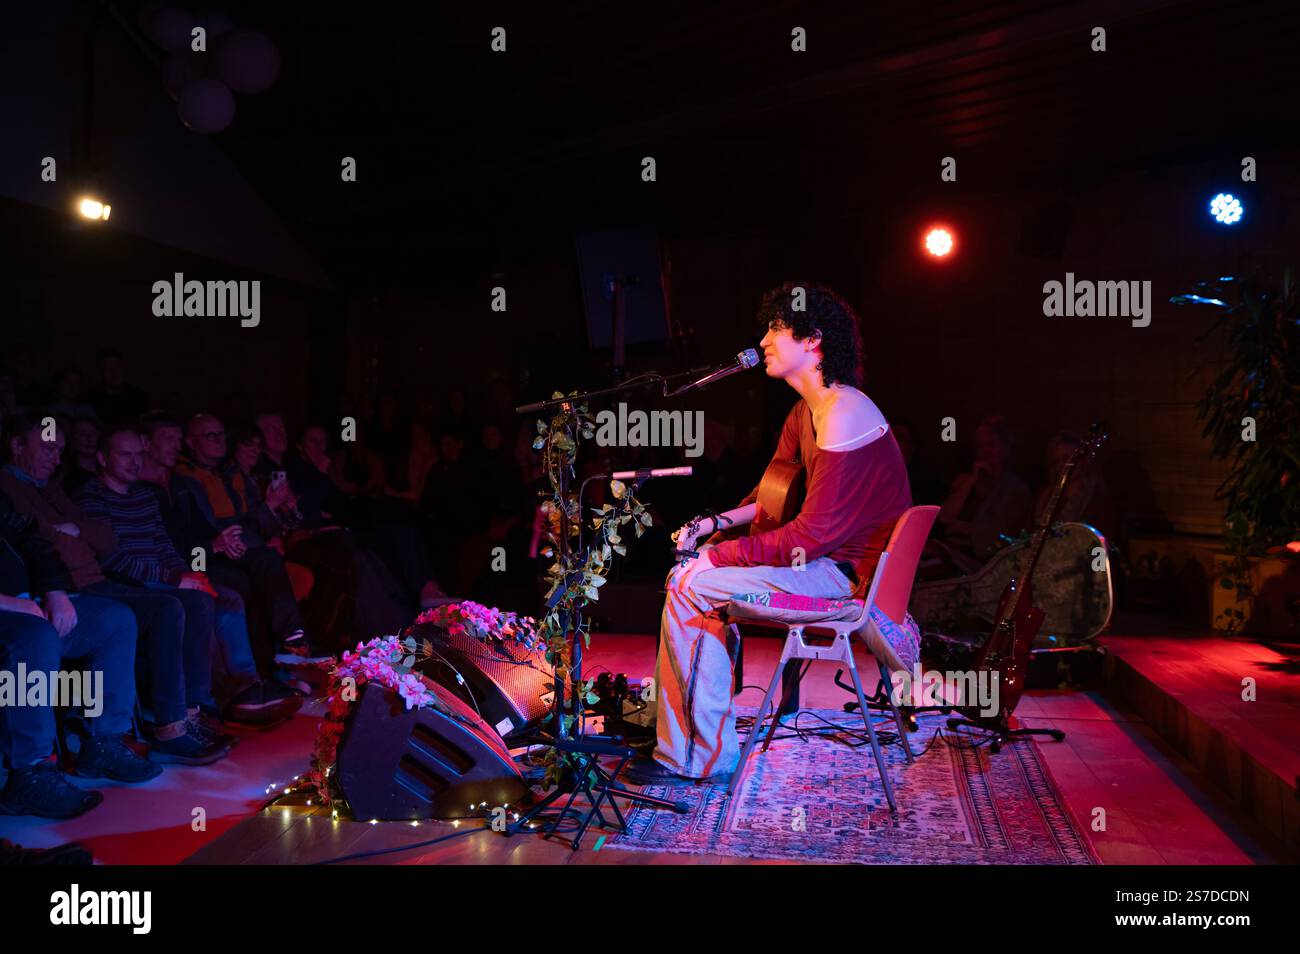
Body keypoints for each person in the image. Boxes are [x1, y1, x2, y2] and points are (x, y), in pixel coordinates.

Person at [625, 283, 916, 784]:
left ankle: (697, 754)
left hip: (843, 581)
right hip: (824, 566)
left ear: (813, 340)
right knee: (691, 575)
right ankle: (687, 731)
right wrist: (714, 526)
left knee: (693, 584)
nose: (762, 340)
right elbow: (771, 497)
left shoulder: (843, 413)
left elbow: (810, 536)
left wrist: (719, 558)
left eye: (777, 328)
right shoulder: (807, 411)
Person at [72, 427, 235, 761]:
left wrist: (189, 575)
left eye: (139, 455)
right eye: (125, 454)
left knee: (201, 599)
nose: (135, 462)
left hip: (156, 579)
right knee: (169, 606)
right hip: (118, 584)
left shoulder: (145, 496)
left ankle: (191, 712)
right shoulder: (90, 498)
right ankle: (169, 727)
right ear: (102, 458)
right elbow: (110, 559)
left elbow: (164, 546)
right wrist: (173, 579)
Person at [0, 487, 160, 819]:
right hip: (13, 613)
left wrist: (54, 591)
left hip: (28, 603)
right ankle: (30, 772)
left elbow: (33, 542)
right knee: (33, 637)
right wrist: (10, 604)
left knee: (115, 621)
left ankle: (103, 743)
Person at [175, 414, 330, 665]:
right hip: (208, 556)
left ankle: (296, 648)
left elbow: (251, 521)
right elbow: (210, 532)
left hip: (246, 548)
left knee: (323, 556)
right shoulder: (186, 479)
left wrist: (277, 514)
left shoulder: (229, 474)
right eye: (211, 435)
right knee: (258, 575)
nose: (219, 440)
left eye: (221, 434)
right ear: (191, 442)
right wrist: (220, 544)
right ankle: (284, 652)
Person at [931, 415, 1030, 575]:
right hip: (951, 553)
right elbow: (944, 517)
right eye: (980, 446)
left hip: (988, 565)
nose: (985, 451)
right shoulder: (964, 480)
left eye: (991, 445)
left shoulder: (1015, 488)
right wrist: (972, 479)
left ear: (1005, 449)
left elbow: (1003, 534)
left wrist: (965, 529)